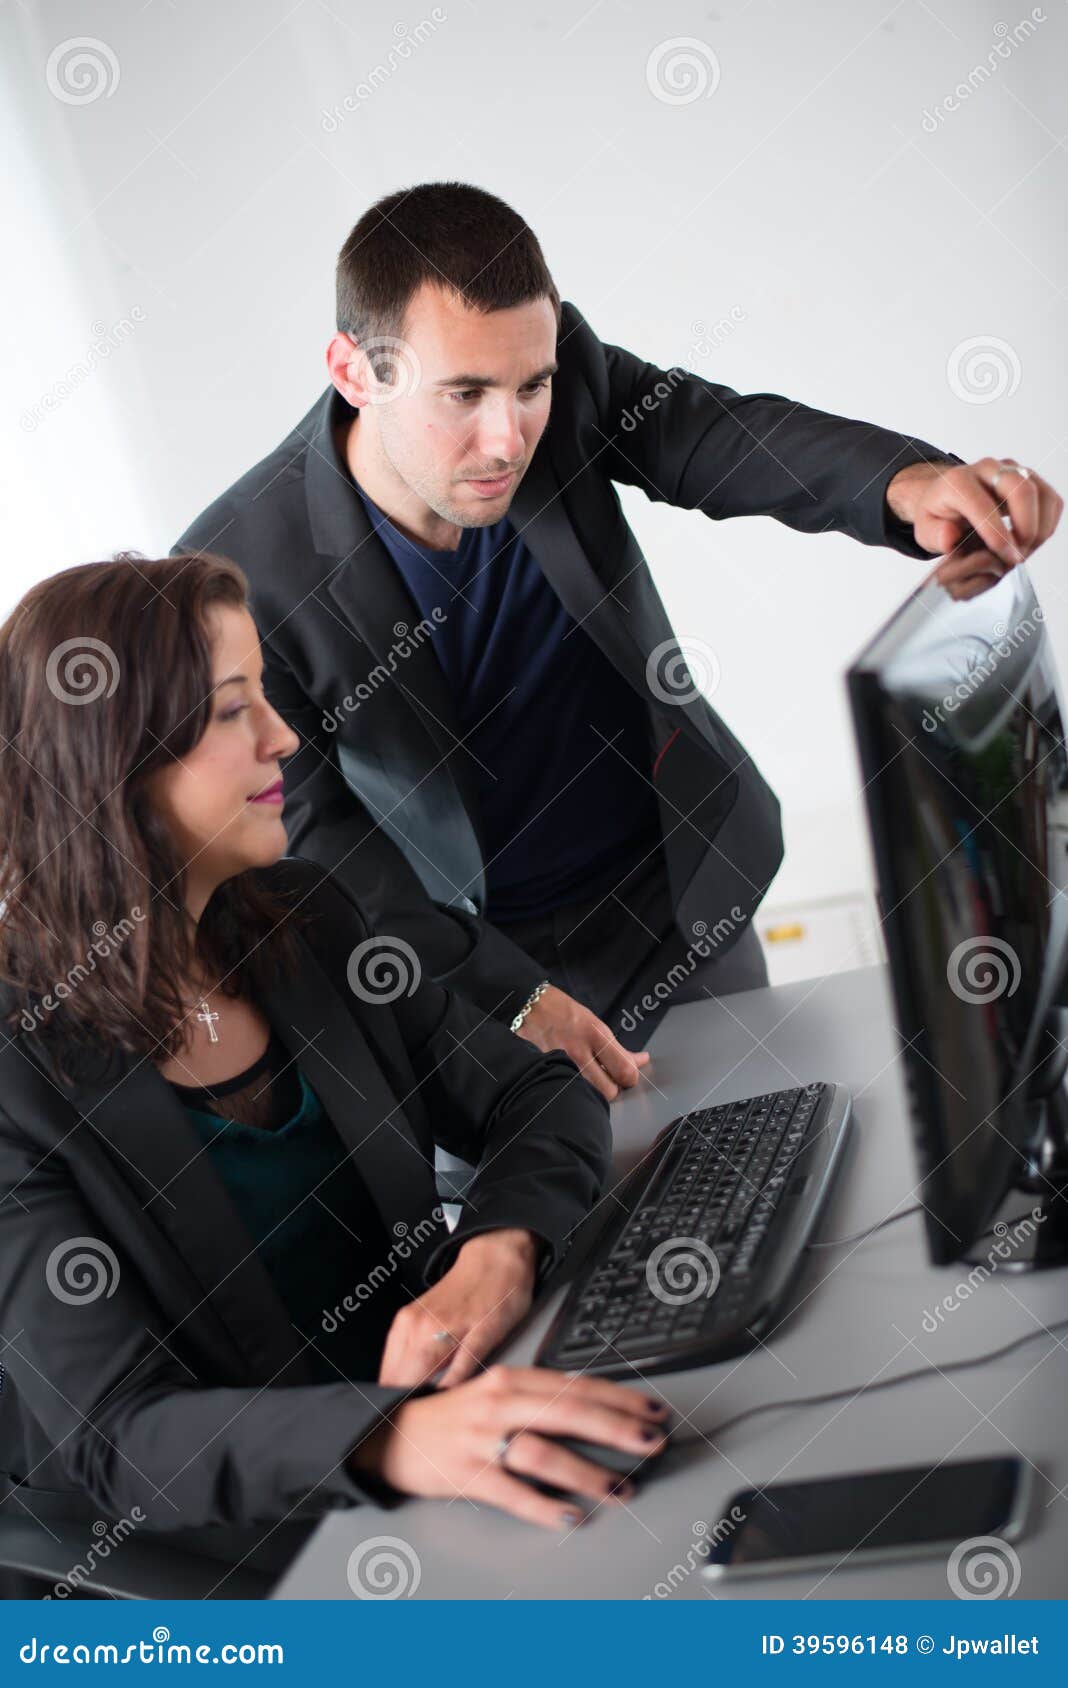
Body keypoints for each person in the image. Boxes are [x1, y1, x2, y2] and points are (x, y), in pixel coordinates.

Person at [174, 181, 1062, 1102]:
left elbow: (713, 433)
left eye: (531, 388)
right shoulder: (236, 571)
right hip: (467, 977)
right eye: (465, 393)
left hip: (671, 911)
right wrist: (512, 998)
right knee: (561, 1229)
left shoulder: (565, 384)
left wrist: (908, 483)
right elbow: (320, 844)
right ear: (356, 371)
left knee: (771, 1176)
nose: (507, 437)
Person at [0, 552, 670, 1569]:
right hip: (248, 1533)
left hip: (447, 1441)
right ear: (117, 762)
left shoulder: (309, 921)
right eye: (234, 710)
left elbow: (531, 1091)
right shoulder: (19, 1070)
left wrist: (499, 1248)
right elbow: (118, 1433)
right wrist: (390, 1438)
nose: (282, 736)